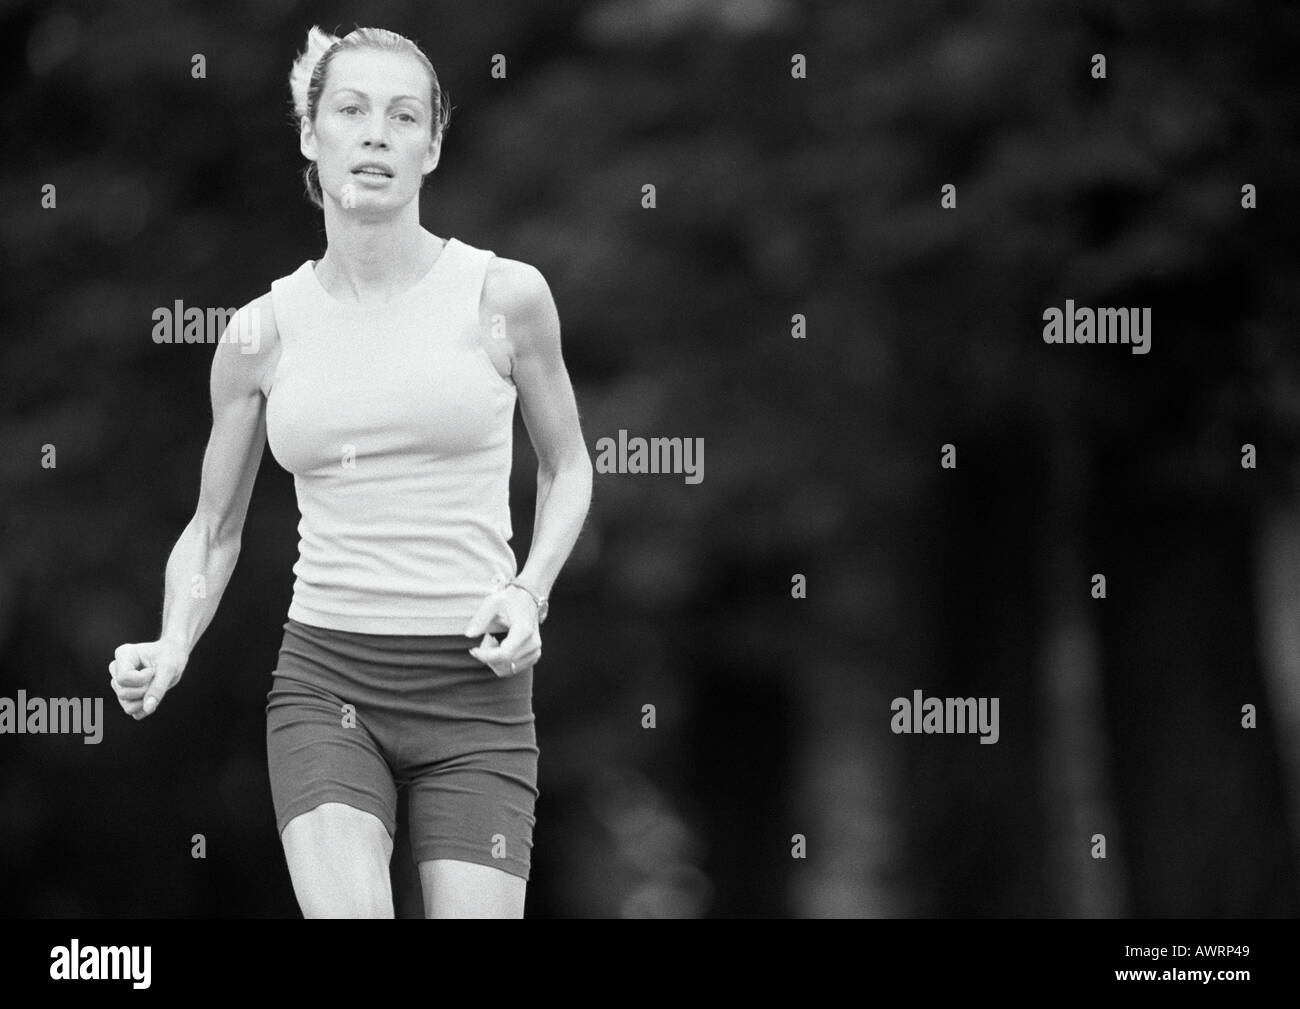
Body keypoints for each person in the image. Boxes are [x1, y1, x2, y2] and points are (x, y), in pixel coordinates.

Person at [108, 25, 594, 918]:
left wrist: (530, 591)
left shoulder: (504, 298)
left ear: (433, 146)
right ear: (310, 134)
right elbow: (214, 529)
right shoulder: (261, 332)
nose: (376, 134)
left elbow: (568, 467)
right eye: (352, 110)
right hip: (327, 683)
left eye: (403, 116)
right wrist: (173, 640)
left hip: (476, 694)